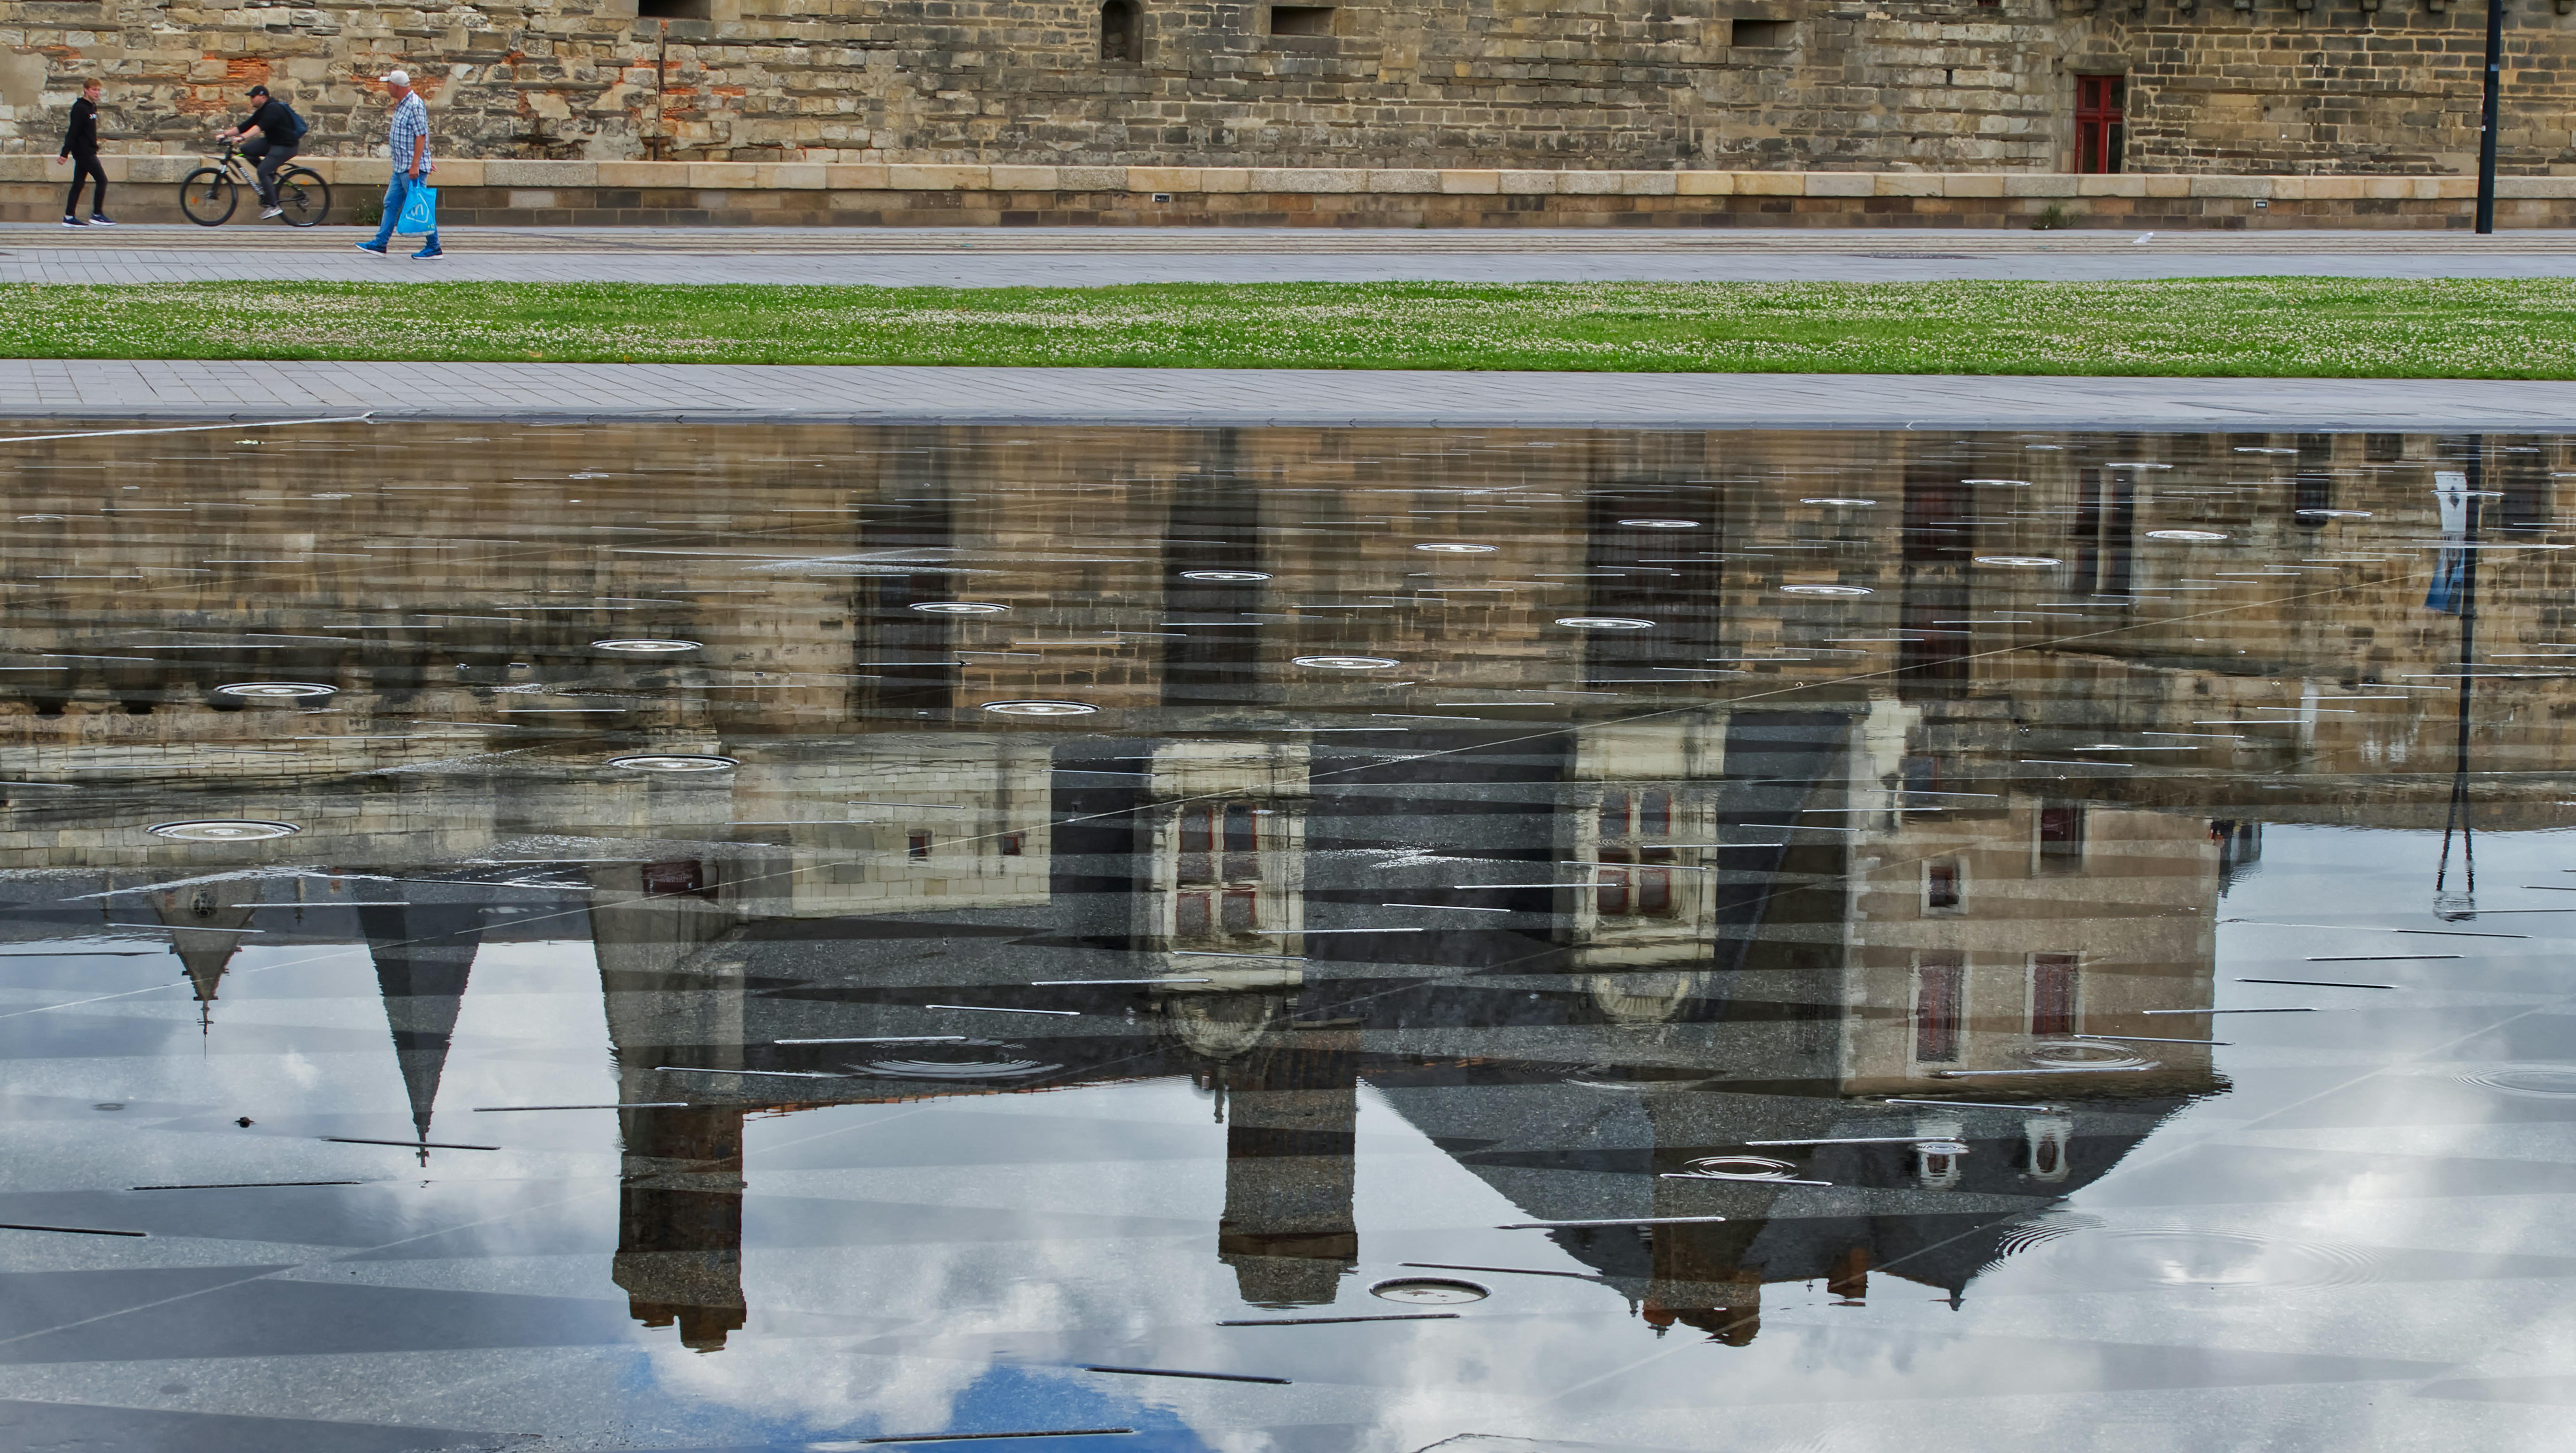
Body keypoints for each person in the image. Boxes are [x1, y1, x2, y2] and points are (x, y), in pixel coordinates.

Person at [357, 69, 441, 261]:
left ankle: (434, 247)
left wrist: (417, 164)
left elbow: (421, 135)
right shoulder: (403, 104)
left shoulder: (414, 104)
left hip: (410, 169)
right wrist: (425, 159)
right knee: (391, 203)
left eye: (388, 84)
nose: (386, 87)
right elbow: (419, 135)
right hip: (401, 167)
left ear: (396, 86)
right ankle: (380, 244)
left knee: (420, 206)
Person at [216, 84, 299, 220]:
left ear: (262, 96)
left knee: (262, 171)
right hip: (272, 143)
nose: (251, 100)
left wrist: (242, 138)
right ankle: (270, 176)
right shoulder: (263, 110)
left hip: (286, 146)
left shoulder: (274, 109)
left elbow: (259, 128)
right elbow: (245, 126)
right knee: (245, 150)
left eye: (253, 97)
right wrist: (225, 135)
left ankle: (274, 206)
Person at [54, 78, 113, 228]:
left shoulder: (92, 107)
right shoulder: (80, 108)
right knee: (102, 180)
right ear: (86, 90)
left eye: (99, 90)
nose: (97, 93)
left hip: (89, 150)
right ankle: (97, 215)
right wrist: (64, 154)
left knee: (79, 184)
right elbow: (73, 132)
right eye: (94, 90)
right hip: (84, 152)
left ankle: (69, 217)